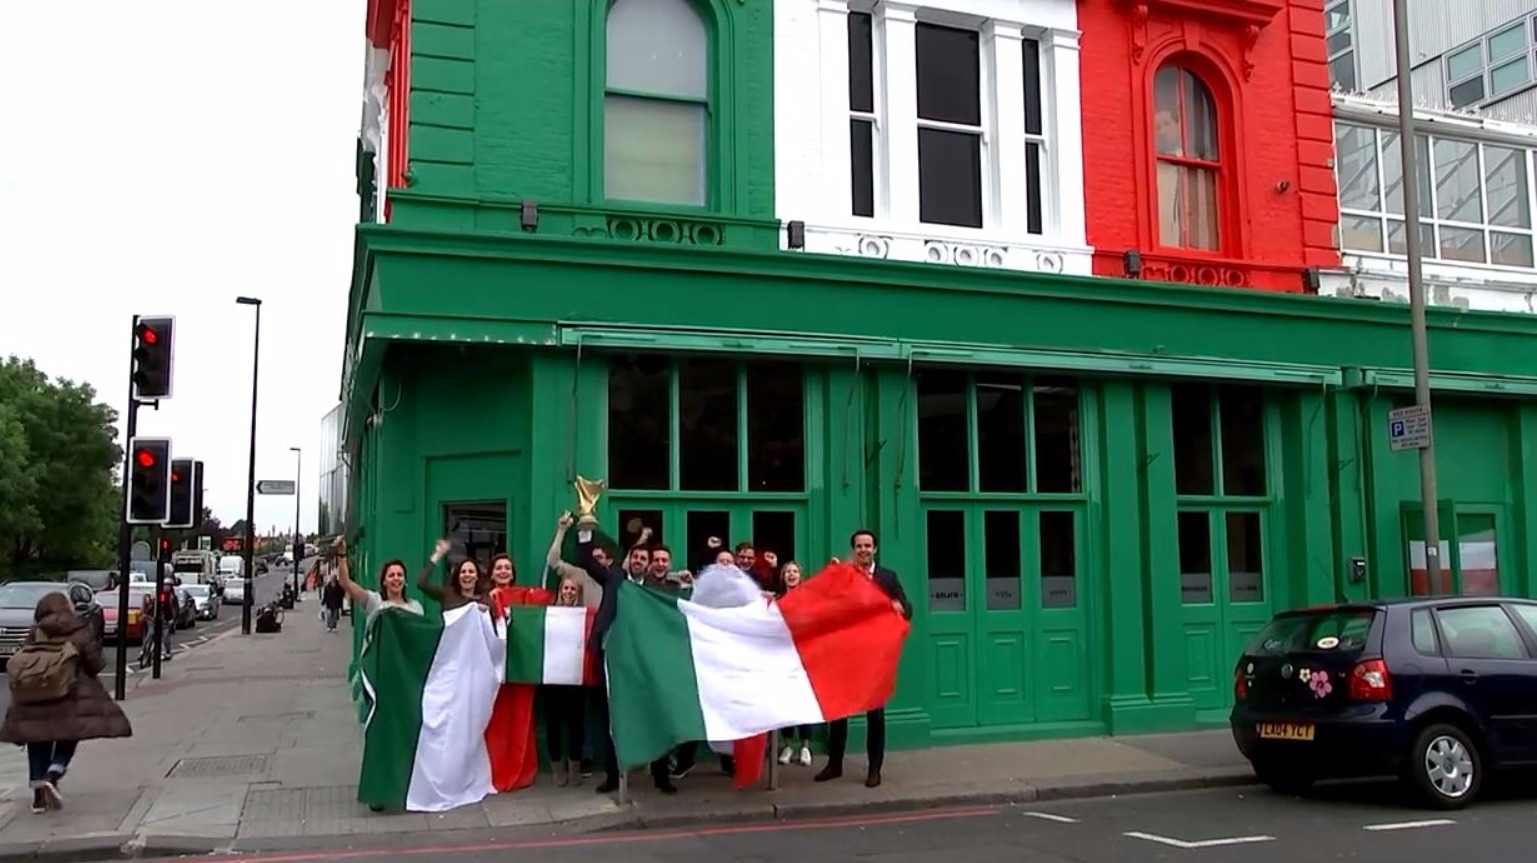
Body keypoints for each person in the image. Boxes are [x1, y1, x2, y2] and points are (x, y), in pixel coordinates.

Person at [570, 518, 677, 795]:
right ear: (629, 559)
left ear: (651, 563)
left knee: (655, 714)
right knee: (611, 719)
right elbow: (586, 560)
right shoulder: (613, 577)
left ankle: (660, 774)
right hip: (611, 659)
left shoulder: (655, 589)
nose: (640, 561)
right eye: (636, 556)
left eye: (645, 558)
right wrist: (584, 531)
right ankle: (613, 776)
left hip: (645, 664)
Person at [1, 592, 132, 813]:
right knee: (69, 735)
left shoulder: (37, 630)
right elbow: (95, 663)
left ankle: (38, 797)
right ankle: (53, 772)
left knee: (37, 739)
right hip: (68, 694)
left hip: (34, 695)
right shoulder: (79, 628)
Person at [815, 529, 911, 789]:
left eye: (867, 545)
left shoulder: (887, 577)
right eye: (859, 546)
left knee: (875, 713)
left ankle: (874, 769)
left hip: (874, 654)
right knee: (839, 710)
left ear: (875, 549)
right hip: (848, 651)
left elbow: (907, 608)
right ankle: (834, 765)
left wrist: (898, 605)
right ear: (854, 549)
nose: (863, 550)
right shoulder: (846, 574)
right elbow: (829, 602)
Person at [544, 577, 587, 787]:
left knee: (576, 726)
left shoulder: (584, 615)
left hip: (575, 679)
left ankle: (574, 770)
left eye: (573, 588)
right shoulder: (548, 613)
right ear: (559, 590)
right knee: (553, 726)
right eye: (565, 588)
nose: (569, 592)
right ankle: (557, 770)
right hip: (552, 679)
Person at [774, 561, 816, 767]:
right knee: (786, 703)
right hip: (783, 657)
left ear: (801, 575)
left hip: (806, 657)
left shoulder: (809, 599)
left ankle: (806, 746)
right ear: (783, 577)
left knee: (804, 702)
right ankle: (787, 745)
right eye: (787, 572)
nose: (791, 575)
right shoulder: (777, 601)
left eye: (795, 571)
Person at [333, 538, 424, 621]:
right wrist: (341, 554)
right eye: (391, 575)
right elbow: (345, 583)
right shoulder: (375, 601)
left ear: (405, 580)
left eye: (399, 575)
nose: (396, 578)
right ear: (384, 581)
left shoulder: (416, 608)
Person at [416, 539, 485, 610]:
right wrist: (437, 555)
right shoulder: (448, 594)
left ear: (477, 576)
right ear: (458, 576)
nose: (467, 575)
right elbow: (421, 583)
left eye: (471, 571)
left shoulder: (484, 599)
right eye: (463, 572)